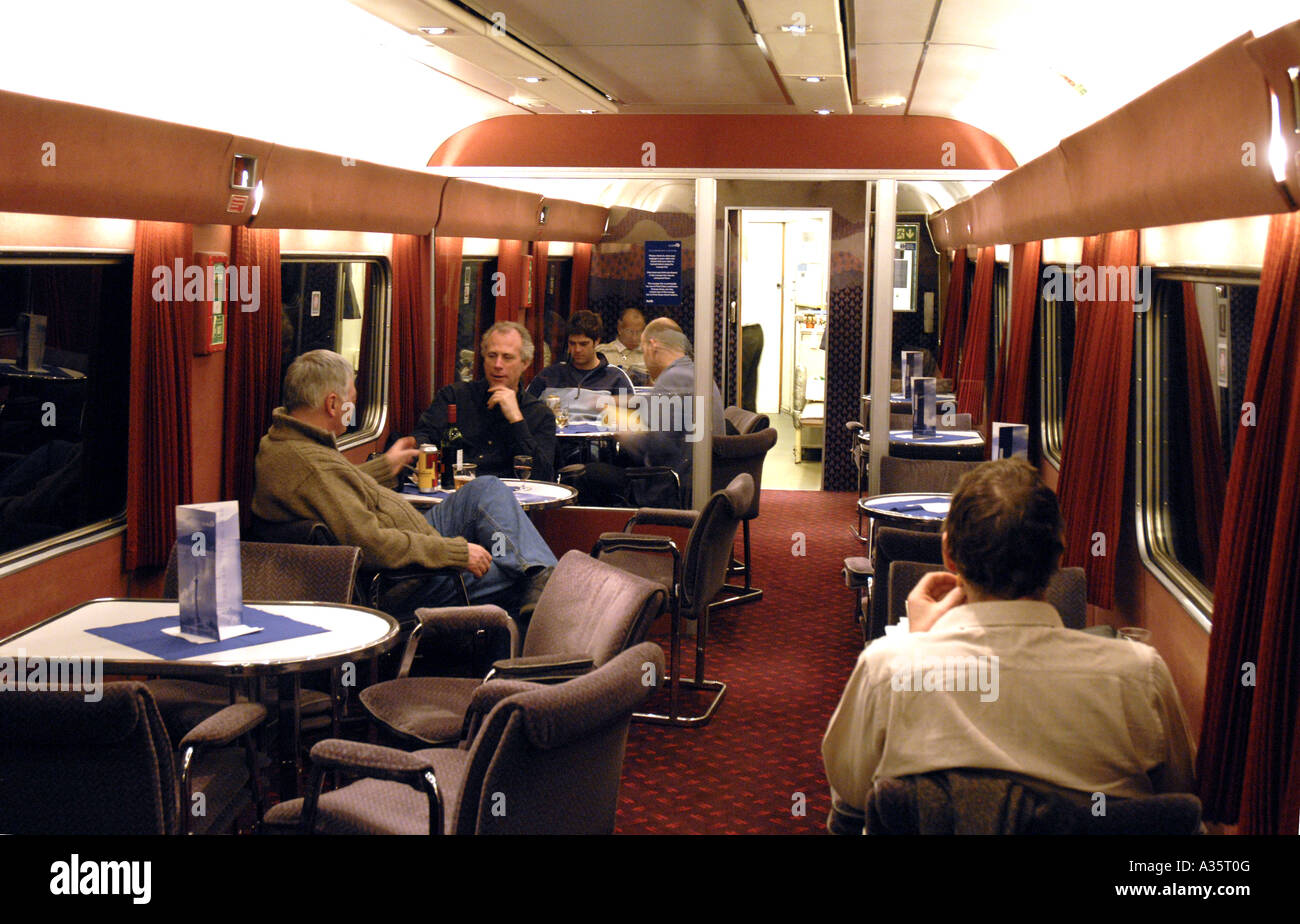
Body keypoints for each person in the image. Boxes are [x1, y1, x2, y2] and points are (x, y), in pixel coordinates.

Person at [821, 458, 1196, 833]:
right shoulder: (1140, 676)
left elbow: (851, 791)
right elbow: (1178, 793)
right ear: (1059, 554)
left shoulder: (889, 669)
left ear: (949, 553)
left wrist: (918, 645)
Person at [253, 350, 556, 624]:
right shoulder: (311, 465)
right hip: (404, 579)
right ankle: (544, 594)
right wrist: (456, 553)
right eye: (352, 399)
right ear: (332, 403)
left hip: (410, 541)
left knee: (485, 488)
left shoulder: (287, 442)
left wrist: (385, 466)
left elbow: (338, 488)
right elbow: (371, 544)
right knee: (516, 577)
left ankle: (540, 571)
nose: (353, 408)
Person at [412, 321, 557, 482]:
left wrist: (517, 420)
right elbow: (423, 437)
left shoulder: (540, 415)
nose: (497, 365)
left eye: (507, 357)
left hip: (509, 501)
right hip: (454, 495)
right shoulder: (454, 397)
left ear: (525, 363)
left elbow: (543, 477)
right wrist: (422, 455)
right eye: (492, 356)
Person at [617, 325, 723, 504]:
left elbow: (652, 446)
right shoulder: (696, 373)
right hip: (704, 481)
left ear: (653, 346)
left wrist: (621, 427)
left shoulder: (673, 378)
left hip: (674, 487)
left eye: (643, 351)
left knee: (589, 474)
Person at [526, 309, 635, 396]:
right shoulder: (548, 376)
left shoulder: (616, 378)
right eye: (572, 343)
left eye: (583, 344)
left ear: (596, 341)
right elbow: (526, 409)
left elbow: (632, 417)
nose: (577, 350)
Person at [596, 307, 647, 380]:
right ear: (619, 329)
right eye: (630, 332)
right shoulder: (602, 352)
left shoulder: (648, 354)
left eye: (639, 332)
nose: (634, 337)